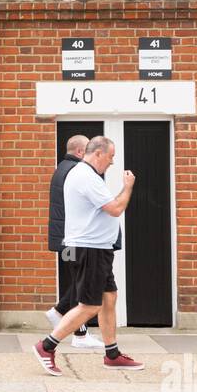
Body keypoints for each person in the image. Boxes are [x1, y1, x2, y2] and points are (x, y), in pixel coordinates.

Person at [32, 136, 144, 375]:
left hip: (98, 247)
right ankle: (46, 346)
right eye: (111, 157)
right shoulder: (85, 175)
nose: (112, 162)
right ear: (98, 153)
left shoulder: (88, 175)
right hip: (89, 248)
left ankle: (112, 354)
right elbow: (115, 209)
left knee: (108, 298)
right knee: (89, 305)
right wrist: (128, 187)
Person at [46, 134, 103, 349]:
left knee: (77, 280)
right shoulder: (75, 171)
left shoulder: (62, 168)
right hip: (72, 238)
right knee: (81, 282)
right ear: (80, 152)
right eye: (88, 151)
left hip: (65, 237)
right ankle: (80, 333)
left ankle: (59, 312)